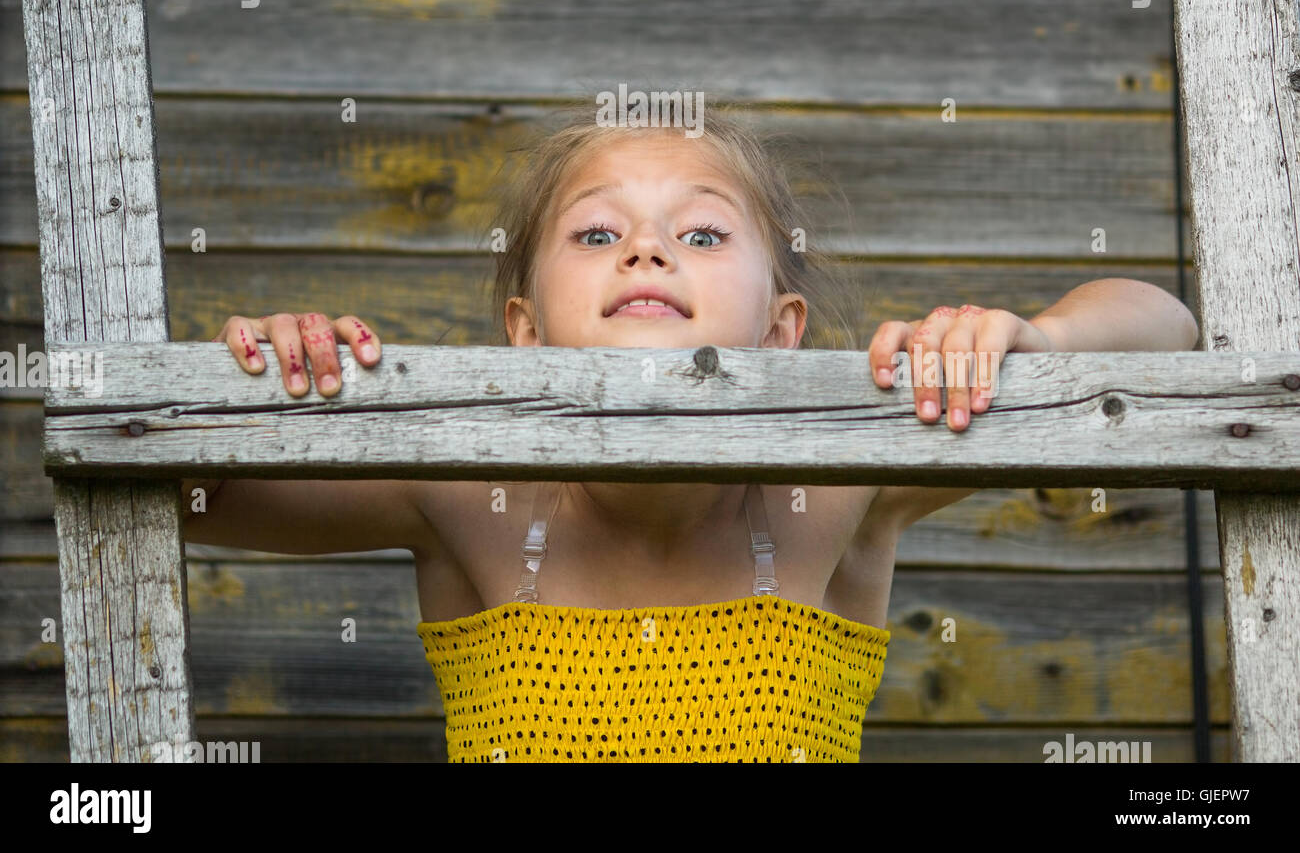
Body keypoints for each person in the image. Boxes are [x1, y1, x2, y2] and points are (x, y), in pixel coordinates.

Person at [185, 101, 1200, 762]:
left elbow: (1166, 331)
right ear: (523, 336)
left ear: (779, 329)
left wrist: (1037, 336)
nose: (645, 249)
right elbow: (194, 496)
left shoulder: (839, 488)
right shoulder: (464, 492)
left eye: (701, 233)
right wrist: (268, 375)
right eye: (595, 232)